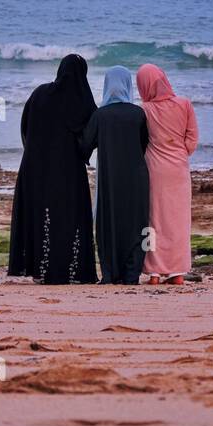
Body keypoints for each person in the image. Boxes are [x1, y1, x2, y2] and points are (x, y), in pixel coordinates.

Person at [8, 54, 98, 284]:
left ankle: (39, 269)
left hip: (35, 167)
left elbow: (25, 127)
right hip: (68, 169)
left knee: (41, 215)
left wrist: (34, 152)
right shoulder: (82, 101)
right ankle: (69, 270)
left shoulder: (39, 94)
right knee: (68, 216)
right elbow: (90, 138)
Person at [81, 66, 150, 284]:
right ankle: (131, 275)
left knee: (108, 223)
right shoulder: (138, 113)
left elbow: (85, 145)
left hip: (109, 178)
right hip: (136, 178)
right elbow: (144, 144)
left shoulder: (100, 115)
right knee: (136, 224)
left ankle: (109, 274)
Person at [135, 63, 198, 285]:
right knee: (179, 220)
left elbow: (140, 142)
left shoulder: (144, 109)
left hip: (154, 170)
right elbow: (192, 141)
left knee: (152, 220)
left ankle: (153, 271)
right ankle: (177, 271)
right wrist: (179, 153)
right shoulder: (185, 104)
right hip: (179, 169)